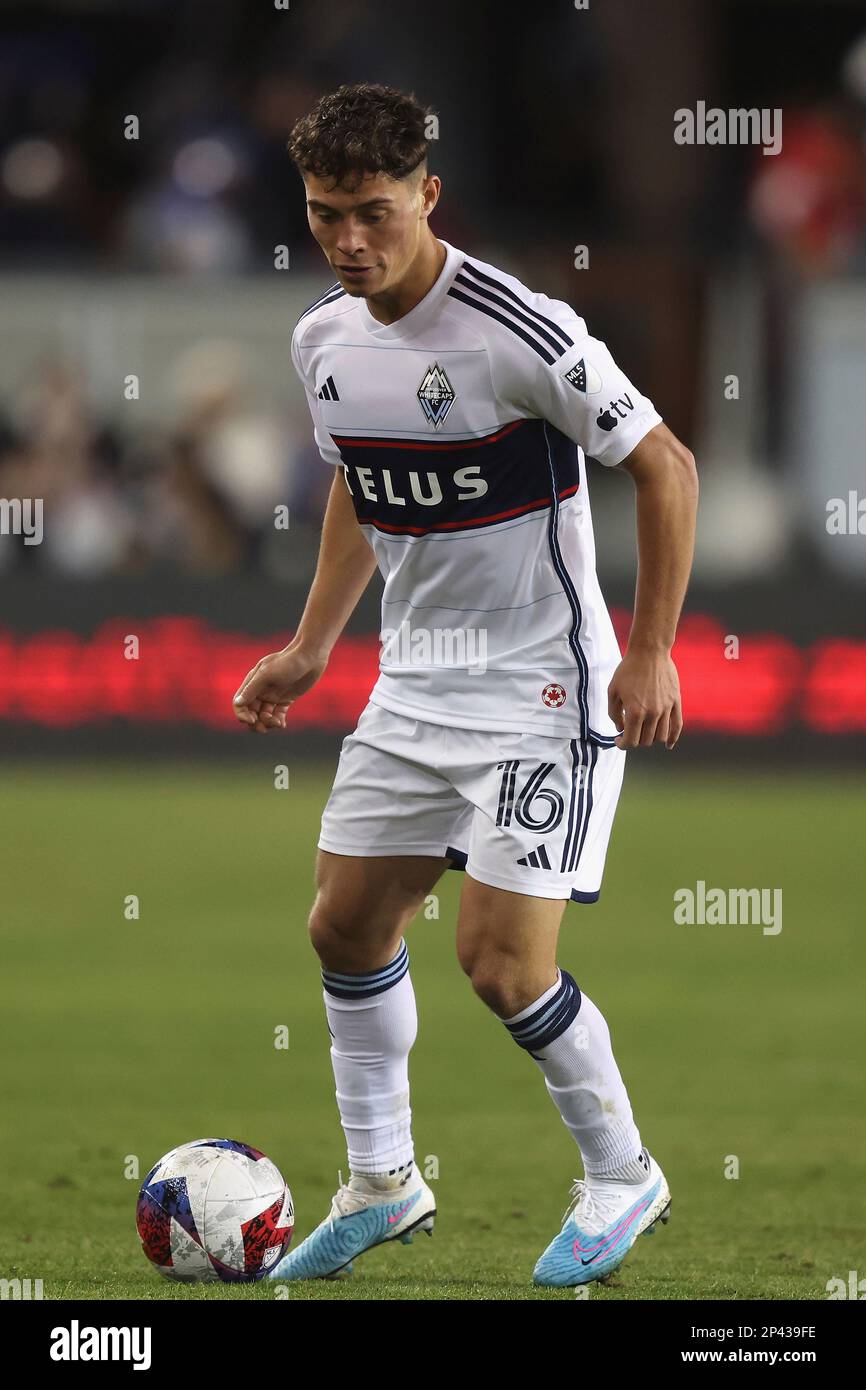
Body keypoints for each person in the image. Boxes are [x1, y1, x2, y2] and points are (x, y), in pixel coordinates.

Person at [232, 83, 698, 1288]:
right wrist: (310, 644)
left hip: (543, 689)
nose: (346, 239)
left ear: (427, 196)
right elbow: (356, 485)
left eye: (372, 212)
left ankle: (620, 1172)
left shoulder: (518, 330)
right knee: (342, 925)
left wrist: (646, 652)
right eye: (325, 212)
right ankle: (382, 1182)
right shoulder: (321, 339)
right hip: (414, 687)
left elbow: (667, 467)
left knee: (498, 962)